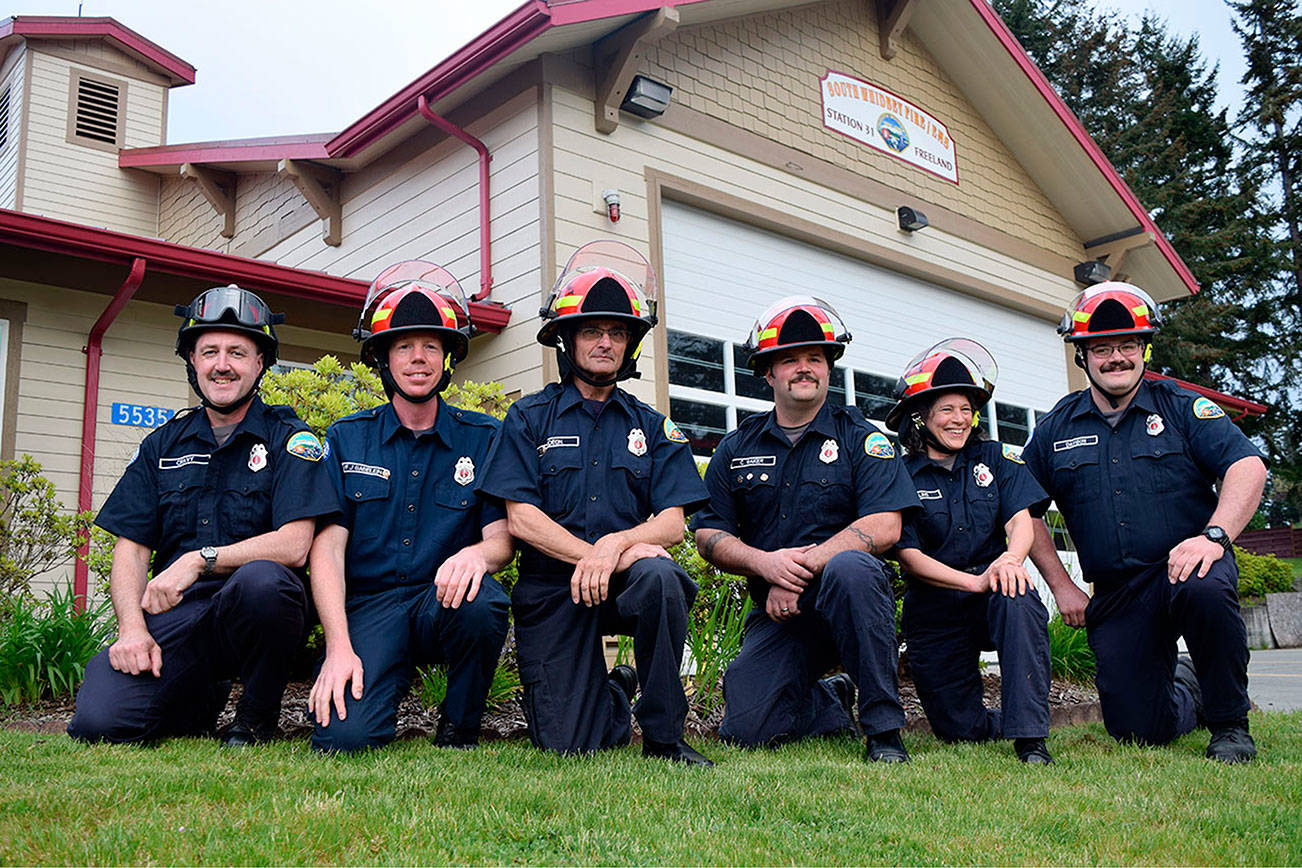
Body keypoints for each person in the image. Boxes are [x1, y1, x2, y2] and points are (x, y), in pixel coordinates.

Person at [477, 241, 712, 765]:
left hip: (628, 580)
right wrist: (594, 555)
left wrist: (616, 549)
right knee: (568, 745)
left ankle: (664, 738)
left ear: (629, 344)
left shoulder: (652, 426)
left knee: (663, 578)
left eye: (617, 332)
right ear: (566, 340)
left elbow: (672, 523)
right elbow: (521, 518)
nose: (605, 342)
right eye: (591, 331)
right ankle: (615, 691)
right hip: (553, 587)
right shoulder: (528, 419)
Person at [68, 285, 335, 746]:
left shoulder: (290, 439)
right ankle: (197, 699)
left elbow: (294, 545)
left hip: (253, 609)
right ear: (193, 361)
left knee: (264, 584)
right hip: (181, 616)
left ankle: (255, 716)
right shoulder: (162, 446)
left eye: (237, 351)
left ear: (259, 363)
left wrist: (198, 559)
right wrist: (131, 629)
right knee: (100, 724)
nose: (222, 364)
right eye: (209, 350)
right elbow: (131, 547)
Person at [1023, 282, 1268, 762]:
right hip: (1118, 591)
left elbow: (1247, 467)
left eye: (1127, 345)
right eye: (1102, 348)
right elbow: (1024, 510)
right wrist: (1062, 586)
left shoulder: (1181, 408)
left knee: (1207, 591)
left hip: (1187, 565)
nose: (1116, 357)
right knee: (1138, 731)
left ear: (1144, 348)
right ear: (1082, 356)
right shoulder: (1056, 429)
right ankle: (1187, 687)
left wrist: (1214, 538)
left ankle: (1230, 726)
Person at [691, 296, 919, 762]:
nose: (804, 368)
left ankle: (883, 731)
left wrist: (795, 569)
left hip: (851, 605)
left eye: (814, 358)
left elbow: (885, 525)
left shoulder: (862, 438)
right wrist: (764, 565)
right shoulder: (736, 448)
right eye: (789, 359)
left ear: (828, 367)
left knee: (852, 569)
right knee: (747, 729)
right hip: (779, 615)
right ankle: (829, 699)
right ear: (768, 371)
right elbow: (708, 534)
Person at [307, 262, 511, 753]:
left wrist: (477, 557)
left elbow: (501, 537)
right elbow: (327, 550)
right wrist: (338, 647)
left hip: (440, 602)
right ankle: (377, 687)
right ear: (382, 358)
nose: (418, 358)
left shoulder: (482, 437)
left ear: (448, 358)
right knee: (344, 741)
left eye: (431, 346)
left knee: (484, 600)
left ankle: (459, 730)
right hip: (370, 608)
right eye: (403, 346)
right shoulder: (347, 438)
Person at [884, 338, 1053, 764]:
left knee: (1017, 597)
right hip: (936, 604)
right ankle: (996, 721)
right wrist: (971, 582)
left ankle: (1031, 740)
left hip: (997, 587)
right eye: (946, 410)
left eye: (966, 409)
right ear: (920, 417)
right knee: (959, 731)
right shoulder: (898, 474)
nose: (959, 420)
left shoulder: (997, 459)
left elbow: (1021, 520)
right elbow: (908, 555)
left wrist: (1011, 560)